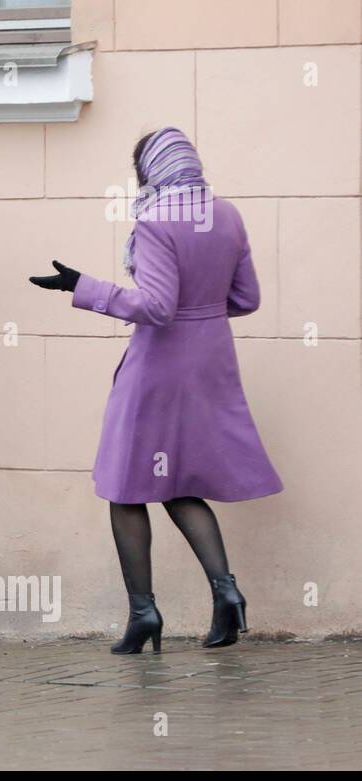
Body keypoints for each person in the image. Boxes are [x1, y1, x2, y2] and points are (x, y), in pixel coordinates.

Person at [30, 127, 282, 653]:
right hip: (211, 360)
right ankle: (226, 594)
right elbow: (248, 297)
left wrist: (85, 287)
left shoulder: (154, 221)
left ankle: (143, 615)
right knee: (179, 482)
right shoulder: (227, 214)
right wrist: (205, 315)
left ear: (150, 171)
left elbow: (158, 307)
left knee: (125, 487)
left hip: (160, 367)